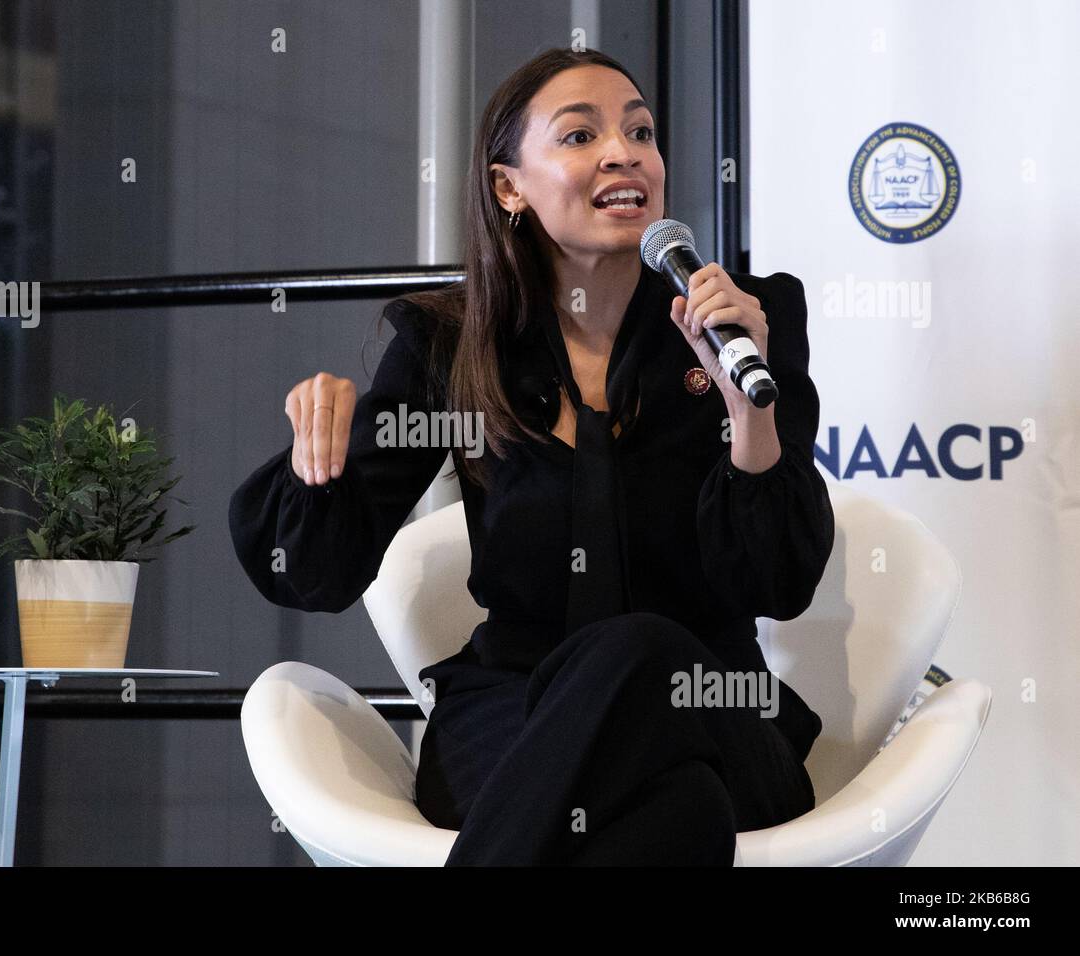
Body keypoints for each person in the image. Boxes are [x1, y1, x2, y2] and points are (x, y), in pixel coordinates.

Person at [227, 47, 834, 866]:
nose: (624, 152)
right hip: (513, 715)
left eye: (640, 132)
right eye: (580, 136)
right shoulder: (453, 343)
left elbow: (780, 582)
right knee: (679, 809)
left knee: (642, 651)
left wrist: (744, 411)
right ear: (509, 186)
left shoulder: (748, 321)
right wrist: (316, 463)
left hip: (707, 701)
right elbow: (316, 573)